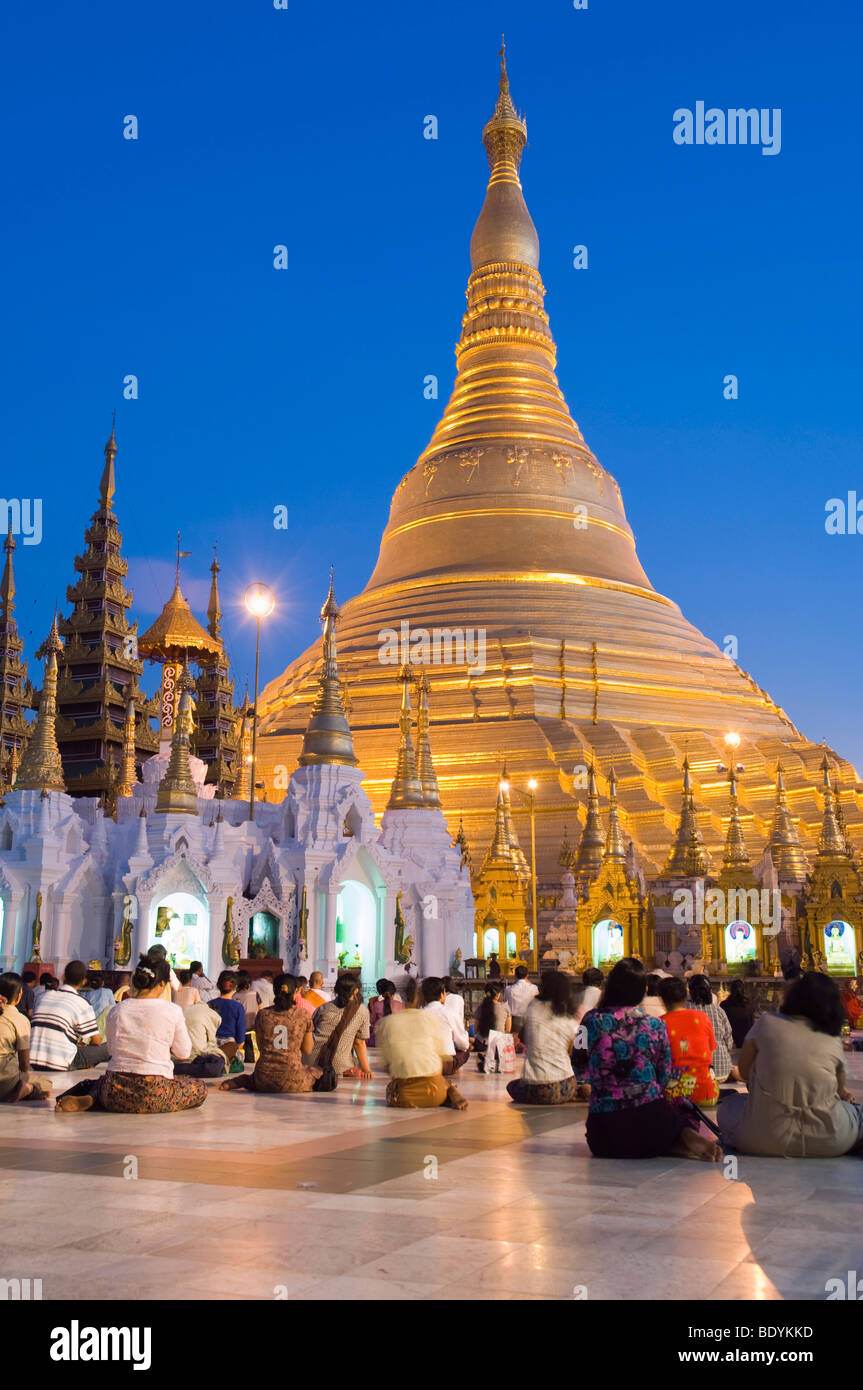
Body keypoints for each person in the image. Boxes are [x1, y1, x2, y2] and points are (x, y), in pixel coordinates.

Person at [584, 959, 720, 1160]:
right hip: (652, 1126)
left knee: (619, 1132)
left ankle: (670, 1141)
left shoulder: (590, 1020)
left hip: (604, 1135)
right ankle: (679, 1136)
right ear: (643, 990)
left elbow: (579, 1067)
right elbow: (664, 1075)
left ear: (610, 985)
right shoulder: (654, 1025)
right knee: (679, 1109)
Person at [717, 972, 863, 1157]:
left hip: (764, 1139)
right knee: (858, 1113)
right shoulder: (832, 1037)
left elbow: (745, 1073)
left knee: (729, 1106)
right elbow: (841, 1091)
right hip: (830, 1138)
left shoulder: (766, 1023)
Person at [56, 956, 207, 1114]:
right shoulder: (172, 1010)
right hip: (154, 1092)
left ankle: (93, 1097)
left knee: (99, 1083)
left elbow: (112, 1051)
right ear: (162, 984)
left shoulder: (117, 1009)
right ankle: (96, 1097)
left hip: (113, 1091)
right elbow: (184, 1052)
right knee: (199, 1087)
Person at [221, 974, 322, 1093]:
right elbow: (308, 1049)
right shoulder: (303, 1015)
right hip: (293, 1079)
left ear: (274, 990)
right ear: (295, 991)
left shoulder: (263, 1014)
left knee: (252, 1078)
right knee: (316, 1073)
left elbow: (260, 1046)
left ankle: (242, 1081)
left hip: (263, 1078)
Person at [377, 987, 468, 1109]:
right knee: (440, 1075)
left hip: (404, 1097)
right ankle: (449, 1087)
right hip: (436, 1092)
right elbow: (441, 1056)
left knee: (392, 1087)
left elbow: (386, 1066)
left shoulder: (387, 1023)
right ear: (421, 999)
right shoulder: (431, 1018)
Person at [506, 970, 583, 1104]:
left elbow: (524, 1037)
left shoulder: (533, 1006)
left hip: (536, 1089)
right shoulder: (569, 1015)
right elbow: (572, 1049)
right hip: (566, 1084)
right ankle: (577, 1091)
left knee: (511, 1086)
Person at [30, 961, 109, 1072]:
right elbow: (96, 1041)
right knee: (109, 1047)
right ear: (84, 981)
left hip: (34, 1060)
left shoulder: (43, 997)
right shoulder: (81, 1002)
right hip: (60, 1062)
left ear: (63, 977)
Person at [657, 976, 719, 1105]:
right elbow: (710, 1053)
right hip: (706, 1094)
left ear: (662, 999)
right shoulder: (702, 1018)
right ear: (686, 996)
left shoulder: (659, 1023)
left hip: (673, 1095)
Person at [306, 974, 373, 1079]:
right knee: (353, 1062)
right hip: (337, 1066)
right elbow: (359, 1043)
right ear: (355, 991)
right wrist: (367, 1070)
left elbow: (311, 1033)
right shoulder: (362, 1011)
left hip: (310, 1061)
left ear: (336, 989)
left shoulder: (323, 1008)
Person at [0, 976, 51, 1101]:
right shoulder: (20, 1019)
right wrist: (25, 1076)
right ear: (19, 995)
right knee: (46, 1082)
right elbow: (24, 1063)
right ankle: (28, 1089)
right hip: (4, 1083)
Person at [688, 973, 740, 1082]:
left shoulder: (686, 1009)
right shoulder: (718, 1010)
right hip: (721, 1070)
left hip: (694, 1071)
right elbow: (729, 1041)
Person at [422, 977, 469, 1073]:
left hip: (424, 1063)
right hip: (445, 1064)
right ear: (442, 995)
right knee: (465, 1052)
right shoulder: (449, 1013)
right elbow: (463, 1045)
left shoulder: (418, 1014)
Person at [174, 998, 227, 1077]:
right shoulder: (213, 1015)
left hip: (175, 1058)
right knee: (219, 1061)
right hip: (195, 1058)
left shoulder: (183, 1009)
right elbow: (211, 1043)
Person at [208, 971, 247, 1067]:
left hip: (210, 1046)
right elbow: (240, 1041)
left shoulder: (209, 1004)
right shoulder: (238, 1007)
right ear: (235, 987)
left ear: (218, 985)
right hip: (229, 1047)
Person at [473, 980, 511, 1073]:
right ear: (498, 995)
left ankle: (485, 1057)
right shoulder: (505, 1007)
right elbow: (508, 1029)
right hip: (499, 1046)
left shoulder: (480, 1008)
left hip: (482, 1044)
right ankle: (496, 1059)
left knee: (478, 1039)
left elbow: (475, 1030)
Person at [234, 970, 261, 1063]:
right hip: (253, 1032)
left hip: (238, 1032)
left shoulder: (234, 996)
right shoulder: (255, 994)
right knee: (252, 1060)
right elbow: (261, 1010)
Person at [505, 965, 538, 1039]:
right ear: (527, 975)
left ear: (515, 975)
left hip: (514, 1021)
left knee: (514, 1044)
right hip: (529, 1020)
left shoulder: (508, 989)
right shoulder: (534, 988)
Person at [721, 978, 755, 1048]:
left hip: (731, 1043)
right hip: (746, 1043)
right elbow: (752, 1025)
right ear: (743, 990)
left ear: (730, 990)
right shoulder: (749, 1004)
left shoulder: (724, 1005)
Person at [369, 978, 403, 1046]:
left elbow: (372, 1021)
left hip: (379, 1039)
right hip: (397, 1039)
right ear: (394, 992)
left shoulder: (376, 1004)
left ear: (382, 993)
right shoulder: (400, 1005)